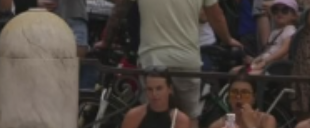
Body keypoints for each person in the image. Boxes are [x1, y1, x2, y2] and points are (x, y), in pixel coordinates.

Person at [102, 0, 240, 119]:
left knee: (152, 116)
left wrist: (105, 41)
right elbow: (216, 16)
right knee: (190, 116)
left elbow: (120, 9)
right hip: (186, 60)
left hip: (153, 59)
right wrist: (227, 39)